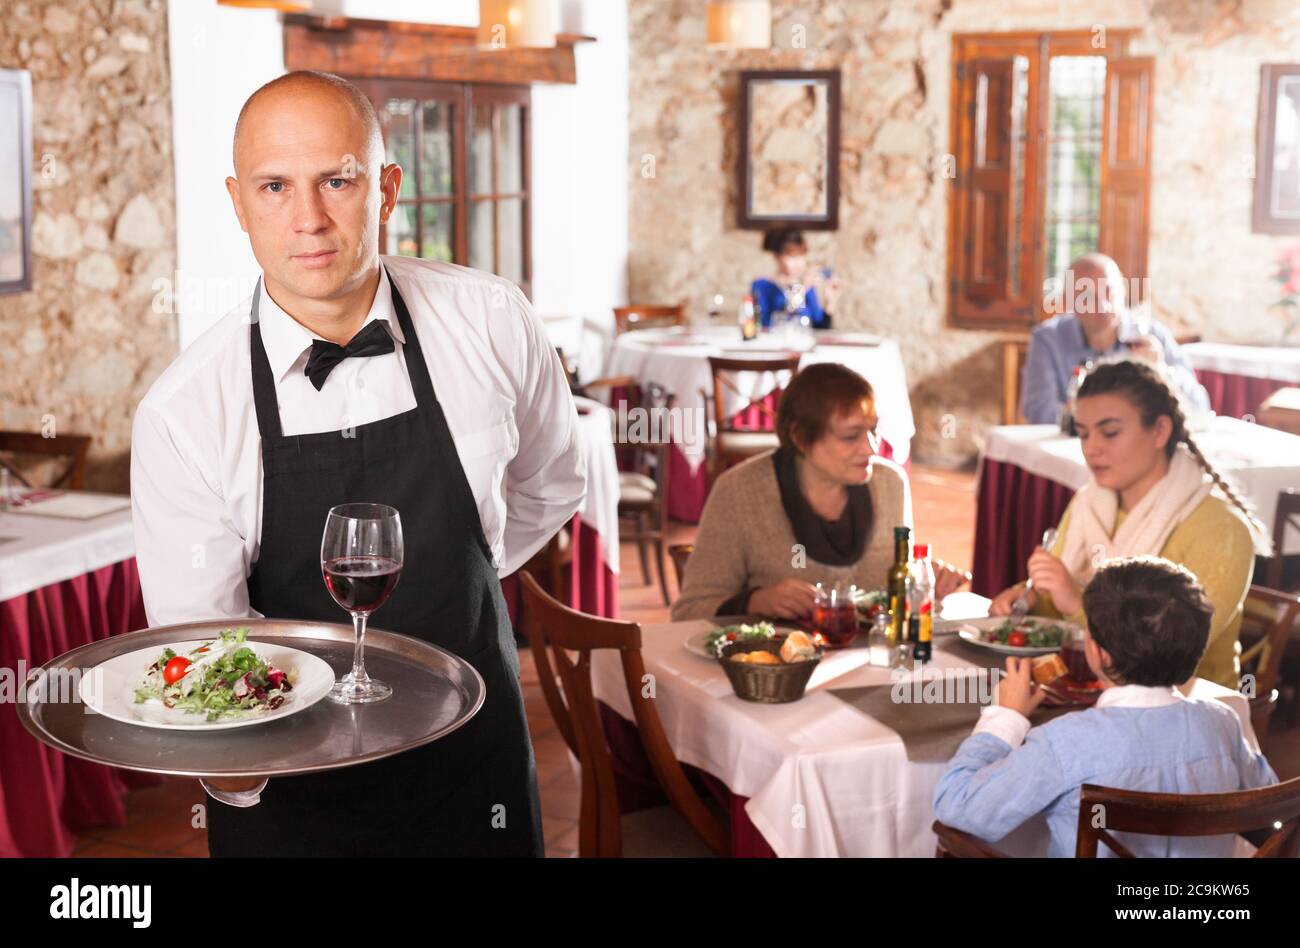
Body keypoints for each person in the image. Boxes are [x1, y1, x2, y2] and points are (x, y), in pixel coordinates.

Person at [129, 71, 586, 856]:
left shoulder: (492, 319)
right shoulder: (184, 413)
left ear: (386, 187)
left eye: (337, 179)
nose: (308, 218)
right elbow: (205, 643)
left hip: (476, 770)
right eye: (275, 186)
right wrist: (239, 779)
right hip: (295, 798)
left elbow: (551, 482)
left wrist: (461, 586)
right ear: (238, 203)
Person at [935, 557, 1276, 858]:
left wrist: (1005, 716)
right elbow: (1270, 809)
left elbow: (957, 807)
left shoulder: (1066, 742)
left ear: (1097, 653)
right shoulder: (1224, 724)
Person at [990, 359, 1269, 689]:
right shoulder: (1088, 502)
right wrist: (1030, 597)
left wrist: (1076, 601)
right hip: (1089, 688)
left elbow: (1175, 649)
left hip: (1187, 708)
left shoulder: (1222, 529)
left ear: (1160, 431)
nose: (1092, 447)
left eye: (1110, 432)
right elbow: (1060, 603)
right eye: (1083, 434)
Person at [672, 363, 968, 621]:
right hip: (775, 675)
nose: (871, 448)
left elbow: (895, 602)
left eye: (873, 430)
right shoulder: (741, 492)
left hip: (875, 670)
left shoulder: (889, 484)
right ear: (800, 437)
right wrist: (756, 601)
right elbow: (690, 612)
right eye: (850, 436)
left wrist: (926, 587)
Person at [1020, 252, 1210, 424]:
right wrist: (1107, 428)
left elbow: (1199, 407)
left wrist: (1160, 369)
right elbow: (1039, 410)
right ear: (1069, 300)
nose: (1102, 304)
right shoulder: (1048, 339)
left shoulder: (1153, 335)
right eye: (1087, 296)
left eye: (1109, 291)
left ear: (1124, 290)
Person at [750, 227, 839, 330]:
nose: (799, 262)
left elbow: (819, 330)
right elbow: (766, 324)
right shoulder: (763, 286)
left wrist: (830, 303)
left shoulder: (807, 288)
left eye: (802, 255)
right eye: (792, 256)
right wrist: (801, 290)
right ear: (777, 257)